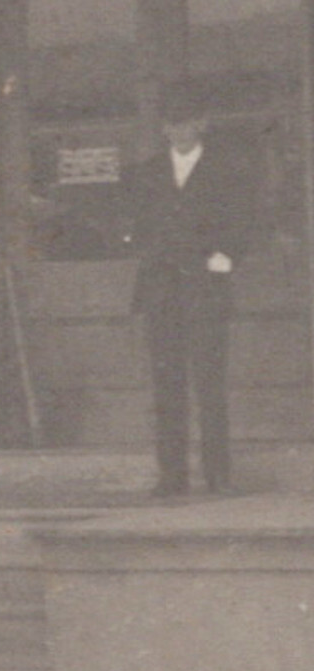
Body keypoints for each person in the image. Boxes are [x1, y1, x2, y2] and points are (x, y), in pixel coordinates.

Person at [125, 83, 252, 497]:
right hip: (162, 291)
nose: (180, 131)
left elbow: (245, 221)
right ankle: (172, 476)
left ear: (202, 124)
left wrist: (226, 256)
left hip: (205, 290)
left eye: (187, 122)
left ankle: (218, 476)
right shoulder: (147, 172)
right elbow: (136, 227)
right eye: (172, 124)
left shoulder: (226, 171)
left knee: (209, 384)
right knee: (167, 386)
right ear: (164, 128)